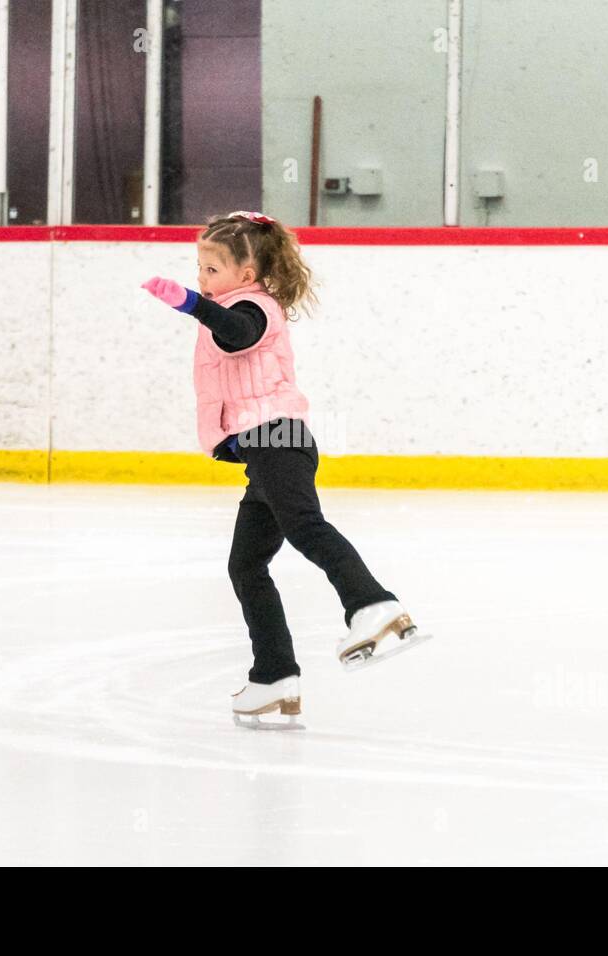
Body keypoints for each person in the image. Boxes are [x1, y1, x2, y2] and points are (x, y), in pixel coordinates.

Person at [140, 210, 431, 729]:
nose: (201, 278)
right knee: (246, 565)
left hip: (278, 438)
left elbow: (235, 334)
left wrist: (191, 303)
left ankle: (373, 605)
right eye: (198, 269)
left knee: (304, 526)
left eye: (211, 270)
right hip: (264, 449)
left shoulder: (253, 307)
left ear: (245, 275)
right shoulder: (235, 301)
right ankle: (274, 675)